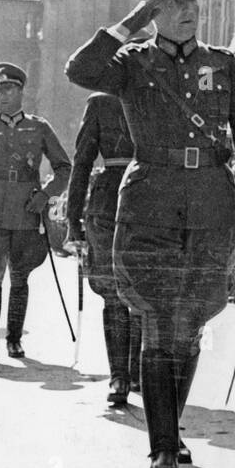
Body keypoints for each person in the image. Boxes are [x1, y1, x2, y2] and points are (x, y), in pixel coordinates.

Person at [64, 0, 235, 468]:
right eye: (172, 2)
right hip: (149, 207)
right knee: (159, 324)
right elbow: (80, 69)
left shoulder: (223, 66)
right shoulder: (133, 64)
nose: (186, 10)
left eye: (190, 0)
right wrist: (132, 22)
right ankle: (162, 448)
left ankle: (172, 427)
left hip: (210, 207)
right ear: (155, 11)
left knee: (189, 326)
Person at [0, 63, 71, 360]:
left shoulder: (39, 127)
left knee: (20, 277)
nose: (3, 96)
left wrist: (46, 195)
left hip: (25, 212)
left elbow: (64, 168)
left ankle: (13, 339)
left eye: (9, 89)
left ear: (21, 92)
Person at [65, 89, 145, 407]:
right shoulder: (101, 102)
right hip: (109, 203)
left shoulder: (160, 94)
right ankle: (119, 376)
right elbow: (82, 161)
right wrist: (73, 217)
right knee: (114, 293)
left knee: (143, 290)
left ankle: (137, 371)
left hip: (150, 201)